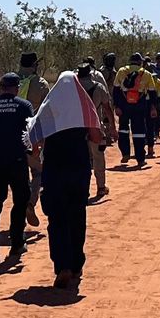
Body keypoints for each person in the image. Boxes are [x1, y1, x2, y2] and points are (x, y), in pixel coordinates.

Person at [27, 69, 106, 293]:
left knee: (57, 218)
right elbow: (96, 136)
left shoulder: (49, 107)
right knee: (77, 215)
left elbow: (34, 137)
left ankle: (61, 265)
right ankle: (76, 264)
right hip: (79, 168)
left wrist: (38, 151)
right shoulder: (84, 107)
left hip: (54, 169)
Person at [0, 72, 38, 266]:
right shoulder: (24, 106)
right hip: (18, 160)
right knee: (20, 202)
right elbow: (30, 131)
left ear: (1, 87)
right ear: (16, 88)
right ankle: (17, 243)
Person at [18, 52, 51, 229]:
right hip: (32, 133)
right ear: (34, 65)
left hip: (11, 135)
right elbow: (46, 112)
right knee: (37, 172)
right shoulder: (41, 84)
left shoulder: (10, 81)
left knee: (18, 176)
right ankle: (30, 203)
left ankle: (19, 212)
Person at [81, 58, 116, 199]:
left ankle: (83, 189)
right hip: (95, 126)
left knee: (82, 159)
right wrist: (113, 128)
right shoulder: (99, 87)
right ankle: (101, 187)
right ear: (90, 73)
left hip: (78, 128)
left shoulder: (74, 88)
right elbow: (108, 108)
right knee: (98, 157)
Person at [116, 52, 158, 167]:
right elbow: (152, 92)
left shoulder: (121, 71)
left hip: (124, 104)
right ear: (141, 62)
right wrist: (153, 108)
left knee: (123, 130)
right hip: (140, 105)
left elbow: (116, 90)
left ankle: (125, 153)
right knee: (139, 132)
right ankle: (140, 159)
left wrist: (117, 106)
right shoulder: (146, 74)